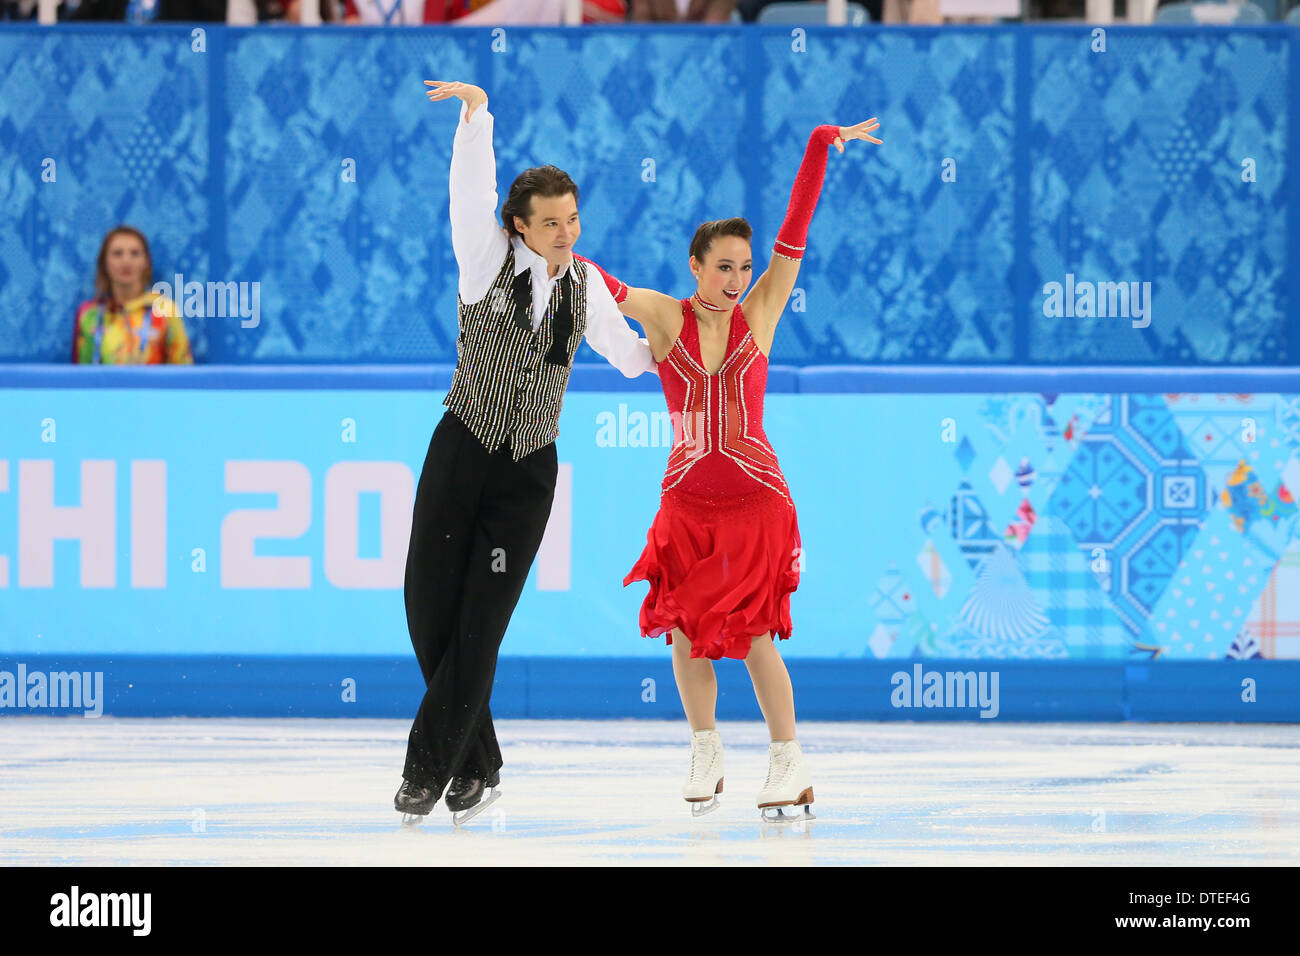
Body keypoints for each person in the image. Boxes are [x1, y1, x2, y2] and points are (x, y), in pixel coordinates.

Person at [590, 116, 881, 818]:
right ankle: (705, 748)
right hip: (686, 505)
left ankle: (789, 762)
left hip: (756, 503)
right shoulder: (663, 317)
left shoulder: (763, 312)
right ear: (695, 266)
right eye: (724, 266)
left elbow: (795, 229)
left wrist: (818, 144)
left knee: (751, 635)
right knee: (687, 632)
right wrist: (548, 244)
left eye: (744, 267)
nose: (737, 278)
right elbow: (599, 280)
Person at [395, 80, 659, 826]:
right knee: (428, 614)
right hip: (462, 450)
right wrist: (477, 118)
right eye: (550, 223)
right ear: (518, 225)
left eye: (573, 220)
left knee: (483, 623)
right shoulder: (484, 261)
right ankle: (480, 765)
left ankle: (430, 770)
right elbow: (467, 192)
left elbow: (633, 358)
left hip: (527, 474)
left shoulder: (587, 288)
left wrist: (688, 343)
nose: (566, 233)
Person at [72, 226, 192, 365]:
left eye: (135, 253)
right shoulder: (89, 314)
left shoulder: (165, 310)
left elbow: (183, 370)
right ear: (104, 263)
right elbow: (81, 376)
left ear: (146, 262)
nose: (126, 261)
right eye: (117, 253)